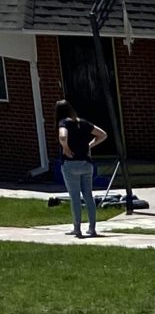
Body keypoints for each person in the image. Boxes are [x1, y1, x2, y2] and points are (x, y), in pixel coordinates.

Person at [53, 99, 107, 238]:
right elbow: (102, 134)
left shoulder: (63, 123)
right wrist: (90, 145)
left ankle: (77, 228)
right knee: (88, 196)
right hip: (86, 164)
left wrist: (65, 148)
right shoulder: (82, 122)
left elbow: (63, 136)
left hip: (70, 164)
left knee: (75, 197)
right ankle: (92, 228)